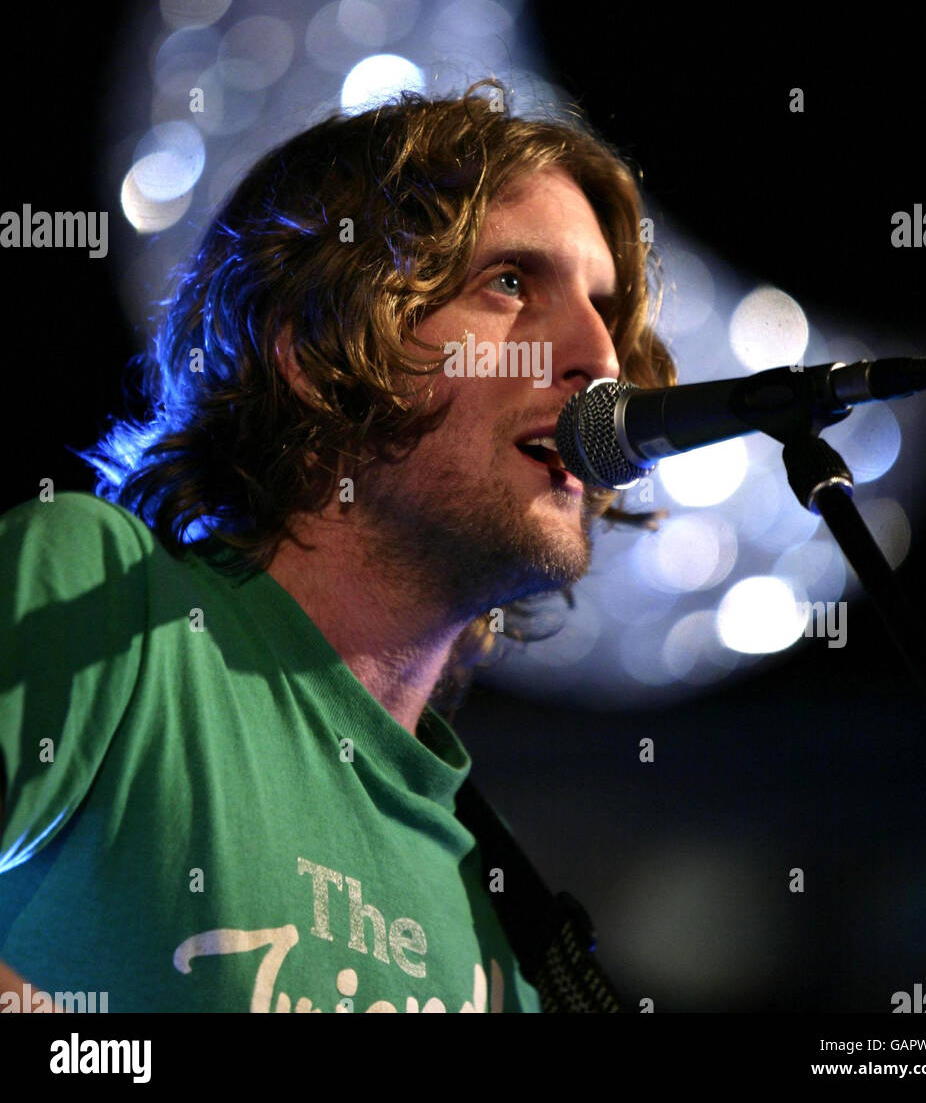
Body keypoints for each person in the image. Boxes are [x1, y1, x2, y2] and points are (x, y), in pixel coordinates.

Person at [0, 81, 674, 1013]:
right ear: (318, 355)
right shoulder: (98, 598)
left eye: (602, 305)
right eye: (511, 282)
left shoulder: (502, 915)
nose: (600, 358)